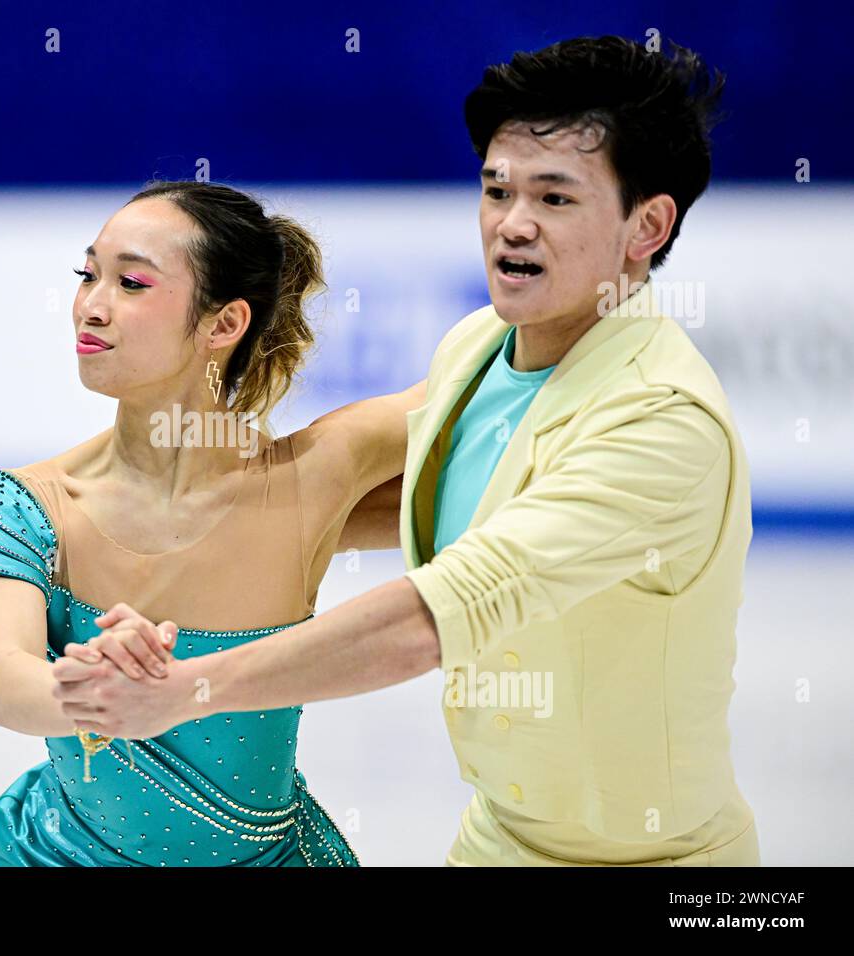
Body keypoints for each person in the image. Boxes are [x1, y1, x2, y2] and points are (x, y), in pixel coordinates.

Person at [53, 36, 761, 867]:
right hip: (496, 840)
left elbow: (435, 617)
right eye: (496, 189)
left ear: (649, 224)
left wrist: (187, 692)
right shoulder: (481, 346)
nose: (513, 223)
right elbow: (330, 497)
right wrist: (118, 527)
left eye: (555, 198)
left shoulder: (659, 424)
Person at [0, 179, 424, 865]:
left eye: (131, 284)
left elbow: (494, 378)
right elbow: (8, 685)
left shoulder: (315, 479)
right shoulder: (27, 509)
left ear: (224, 324)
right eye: (87, 276)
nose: (91, 306)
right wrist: (88, 689)